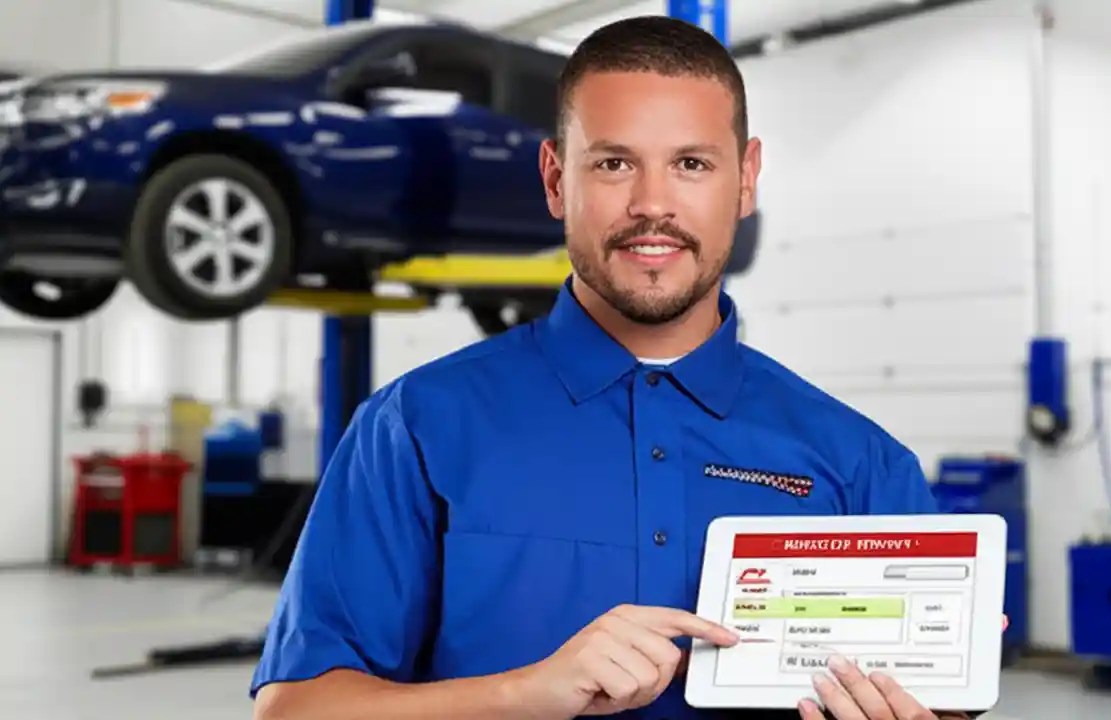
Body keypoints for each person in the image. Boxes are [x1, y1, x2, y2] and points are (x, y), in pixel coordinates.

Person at [250, 15, 974, 720]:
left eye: (691, 164)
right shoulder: (415, 428)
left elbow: (942, 705)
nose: (652, 205)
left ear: (746, 180)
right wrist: (524, 696)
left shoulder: (861, 463)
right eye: (614, 163)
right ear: (557, 179)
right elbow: (295, 709)